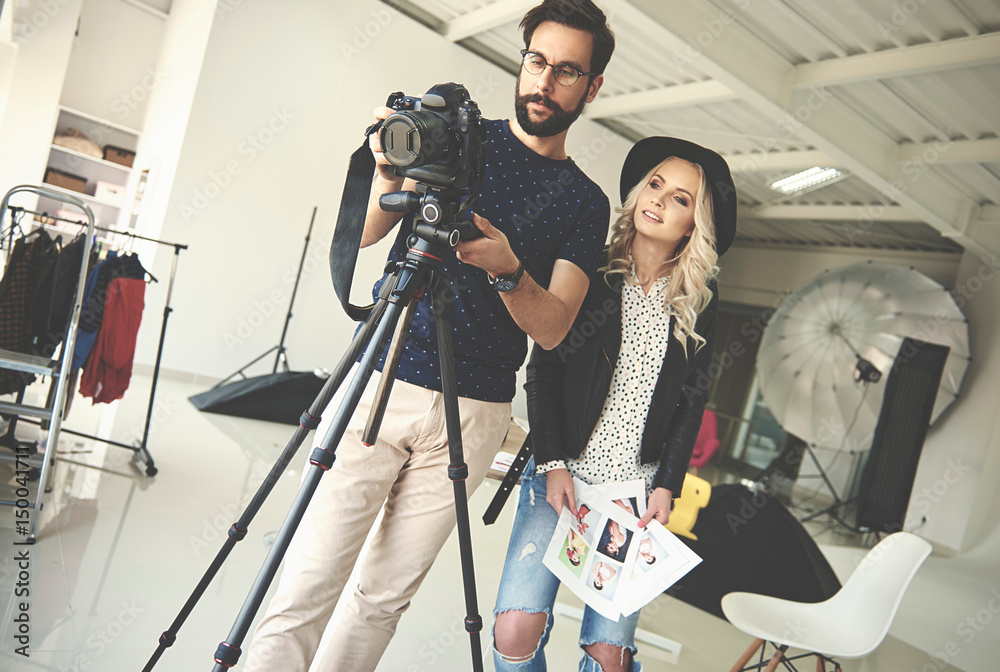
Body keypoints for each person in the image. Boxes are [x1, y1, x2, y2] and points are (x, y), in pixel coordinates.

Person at [243, 2, 615, 671]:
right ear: (522, 58)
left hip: (473, 416)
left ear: (591, 88)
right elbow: (358, 236)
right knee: (307, 578)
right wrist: (386, 169)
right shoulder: (456, 139)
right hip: (381, 376)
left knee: (383, 598)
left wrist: (508, 270)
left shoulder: (585, 201)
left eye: (567, 72)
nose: (544, 81)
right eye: (536, 61)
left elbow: (556, 327)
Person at [492, 136, 738, 672]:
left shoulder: (699, 302)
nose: (659, 200)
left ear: (695, 224)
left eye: (681, 198)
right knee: (515, 630)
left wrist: (667, 484)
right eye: (655, 184)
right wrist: (553, 463)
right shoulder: (590, 271)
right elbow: (541, 372)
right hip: (559, 477)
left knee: (610, 657)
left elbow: (691, 404)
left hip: (635, 492)